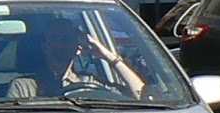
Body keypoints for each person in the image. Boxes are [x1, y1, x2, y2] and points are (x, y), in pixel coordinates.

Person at [9, 17, 145, 100]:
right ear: (45, 47)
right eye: (54, 38)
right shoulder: (23, 87)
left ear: (78, 47)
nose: (59, 44)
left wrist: (110, 57)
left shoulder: (92, 84)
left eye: (66, 39)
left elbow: (139, 95)